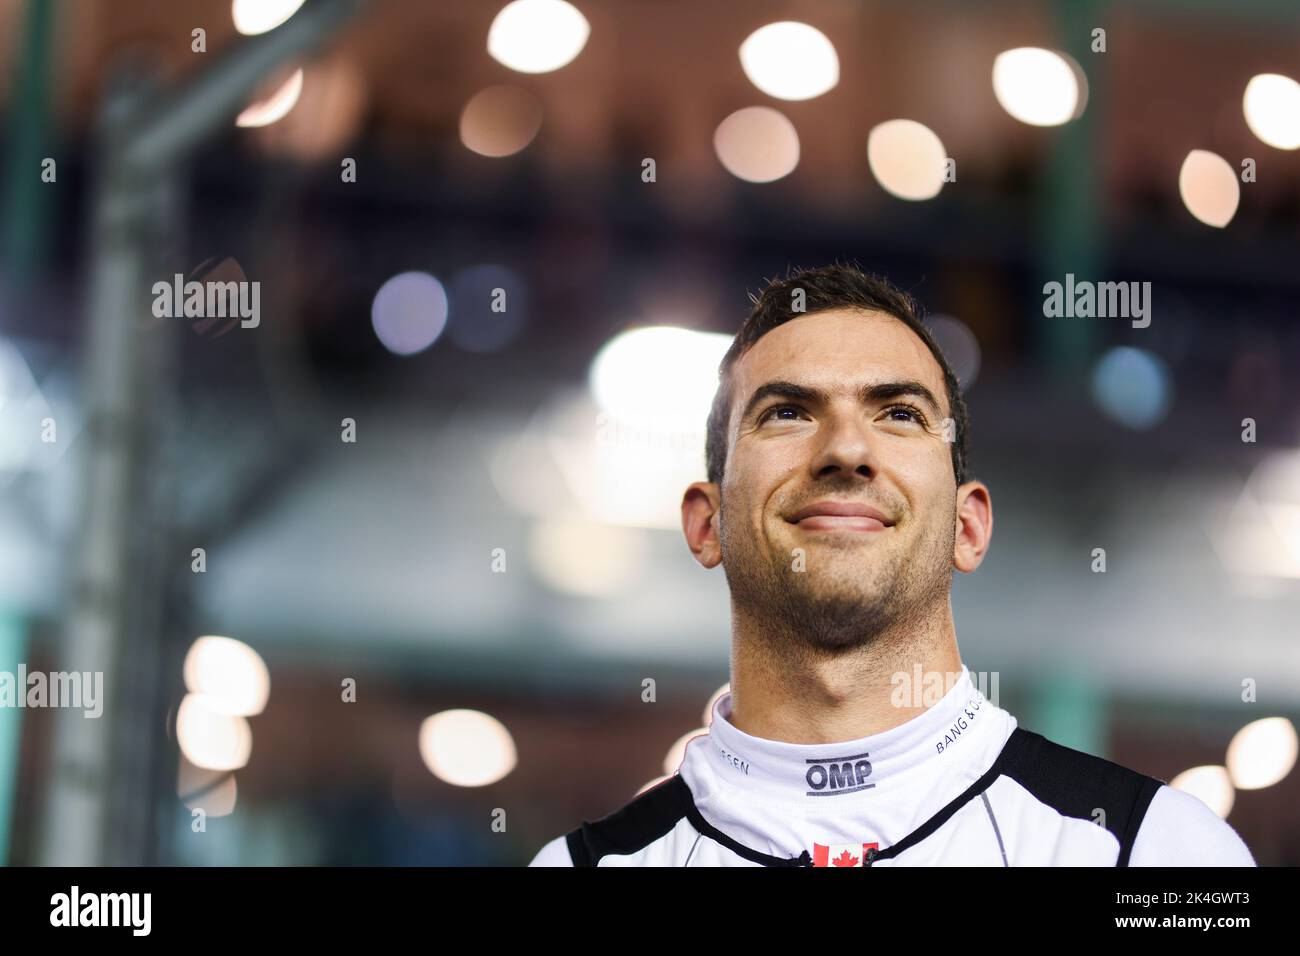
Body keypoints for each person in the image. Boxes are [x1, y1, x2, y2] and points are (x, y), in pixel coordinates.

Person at [529, 263, 1255, 867]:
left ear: (969, 526)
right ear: (706, 522)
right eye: (787, 412)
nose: (846, 450)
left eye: (899, 414)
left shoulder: (1156, 853)